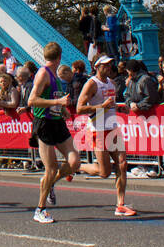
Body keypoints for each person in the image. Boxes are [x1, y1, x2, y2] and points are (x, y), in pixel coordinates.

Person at [75, 56, 136, 216]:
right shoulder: (91, 84)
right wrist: (101, 106)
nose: (110, 67)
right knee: (104, 172)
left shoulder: (112, 83)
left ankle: (120, 205)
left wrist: (119, 109)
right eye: (106, 65)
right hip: (98, 130)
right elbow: (79, 108)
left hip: (112, 127)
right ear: (97, 66)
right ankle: (76, 167)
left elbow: (111, 105)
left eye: (111, 64)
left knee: (122, 164)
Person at [27, 43, 80, 223]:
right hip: (44, 124)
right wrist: (57, 101)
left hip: (57, 122)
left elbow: (52, 100)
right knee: (50, 169)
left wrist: (61, 109)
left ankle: (50, 184)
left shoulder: (56, 77)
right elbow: (32, 100)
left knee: (74, 162)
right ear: (60, 56)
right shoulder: (43, 73)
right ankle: (40, 210)